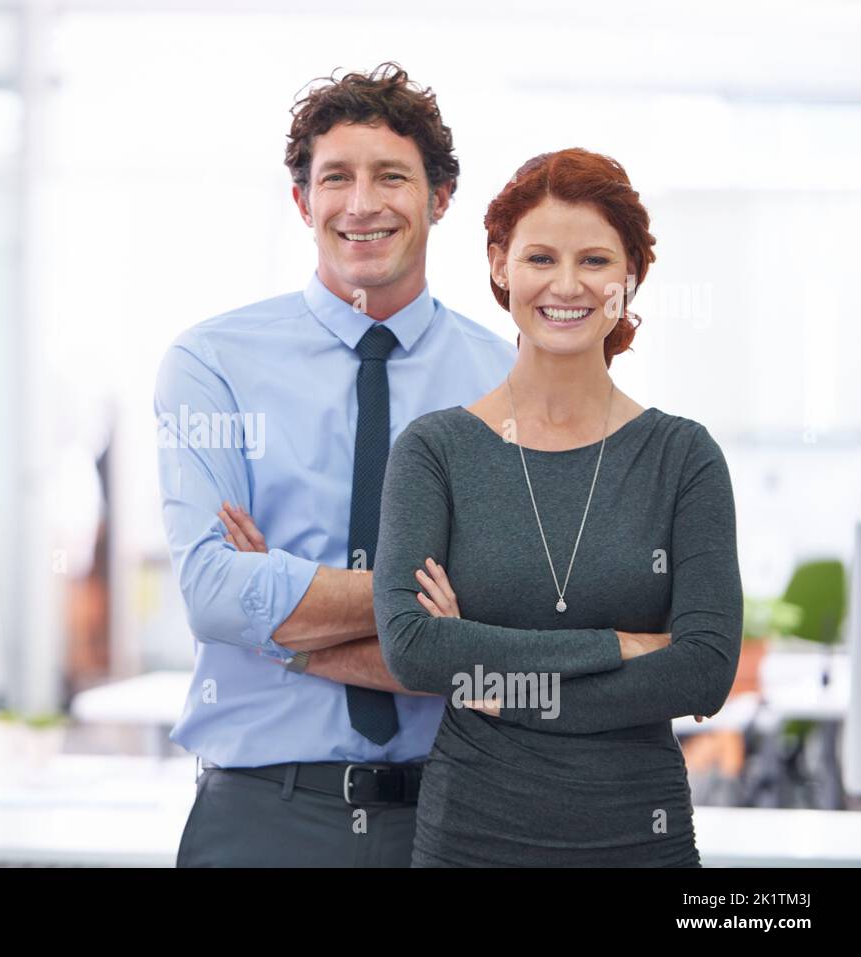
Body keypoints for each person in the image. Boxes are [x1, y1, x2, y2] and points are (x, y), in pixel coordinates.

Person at [153, 63, 516, 867]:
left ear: (440, 198)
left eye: (392, 176)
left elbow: (515, 637)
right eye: (336, 178)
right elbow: (214, 594)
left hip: (459, 816)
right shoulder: (212, 364)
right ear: (301, 200)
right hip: (262, 819)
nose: (362, 204)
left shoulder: (510, 381)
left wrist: (283, 622)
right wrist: (427, 607)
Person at [372, 147, 744, 866]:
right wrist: (621, 646)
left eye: (596, 261)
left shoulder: (684, 458)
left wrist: (488, 676)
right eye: (540, 257)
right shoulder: (435, 451)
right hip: (471, 837)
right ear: (499, 264)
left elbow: (703, 671)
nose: (566, 285)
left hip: (639, 837)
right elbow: (415, 649)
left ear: (629, 278)